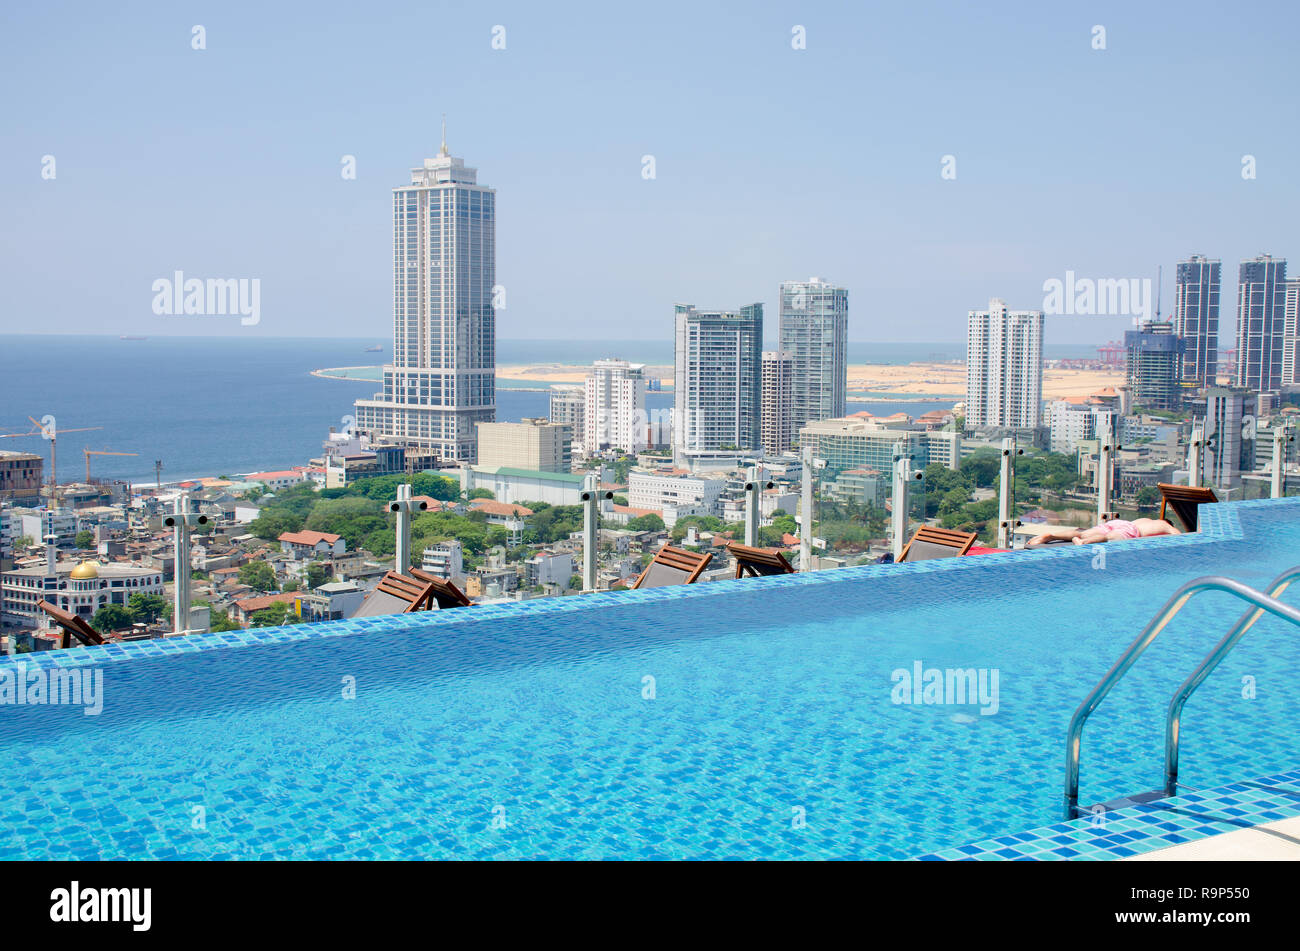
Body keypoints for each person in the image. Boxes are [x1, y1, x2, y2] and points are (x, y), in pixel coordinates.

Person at [1026, 517, 1180, 548]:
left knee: (1082, 531)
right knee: (1107, 539)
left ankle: (1050, 536)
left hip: (1119, 522)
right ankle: (1084, 543)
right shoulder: (1164, 525)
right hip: (1132, 531)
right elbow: (1182, 538)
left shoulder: (1146, 519)